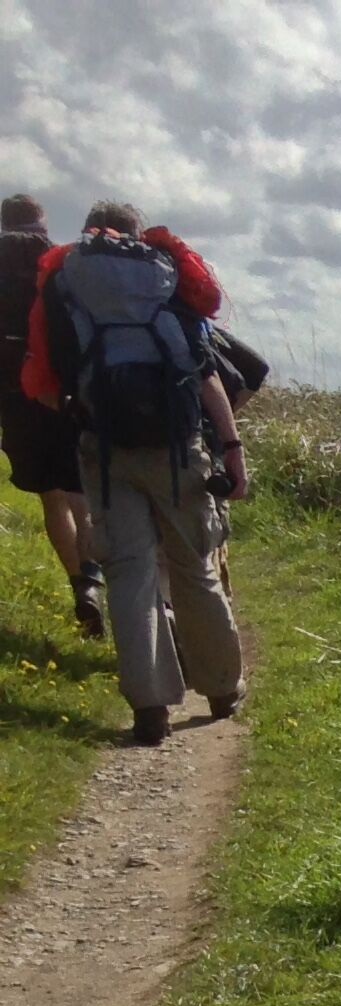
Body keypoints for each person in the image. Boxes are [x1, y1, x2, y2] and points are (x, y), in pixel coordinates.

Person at [21, 204, 244, 743]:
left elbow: (43, 382)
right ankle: (220, 688)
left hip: (105, 453)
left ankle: (150, 709)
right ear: (138, 236)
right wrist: (232, 448)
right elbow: (205, 373)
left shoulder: (66, 284)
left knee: (129, 574)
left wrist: (85, 411)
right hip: (177, 449)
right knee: (195, 567)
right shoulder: (162, 277)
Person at [0, 193, 97, 638]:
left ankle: (78, 584)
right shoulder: (59, 261)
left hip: (13, 395)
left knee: (50, 497)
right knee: (79, 490)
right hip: (60, 390)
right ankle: (94, 579)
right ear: (41, 222)